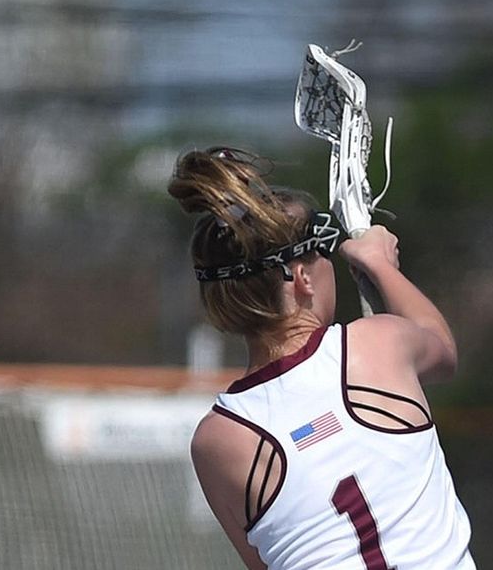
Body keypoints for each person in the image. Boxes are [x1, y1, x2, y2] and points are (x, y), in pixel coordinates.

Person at [170, 146, 475, 570]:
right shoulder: (375, 346)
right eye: (325, 251)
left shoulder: (218, 439)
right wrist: (381, 265)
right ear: (302, 277)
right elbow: (442, 349)